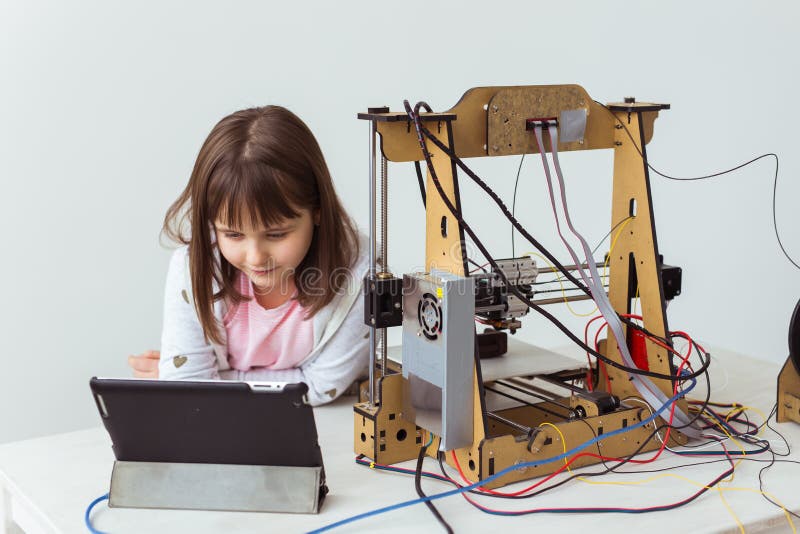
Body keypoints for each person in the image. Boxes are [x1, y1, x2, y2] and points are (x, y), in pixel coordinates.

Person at [127, 105, 369, 405]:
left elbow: (321, 388)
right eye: (233, 235)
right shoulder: (193, 268)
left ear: (318, 210)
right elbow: (189, 387)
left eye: (276, 234)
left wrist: (205, 380)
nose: (255, 257)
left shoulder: (359, 272)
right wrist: (188, 381)